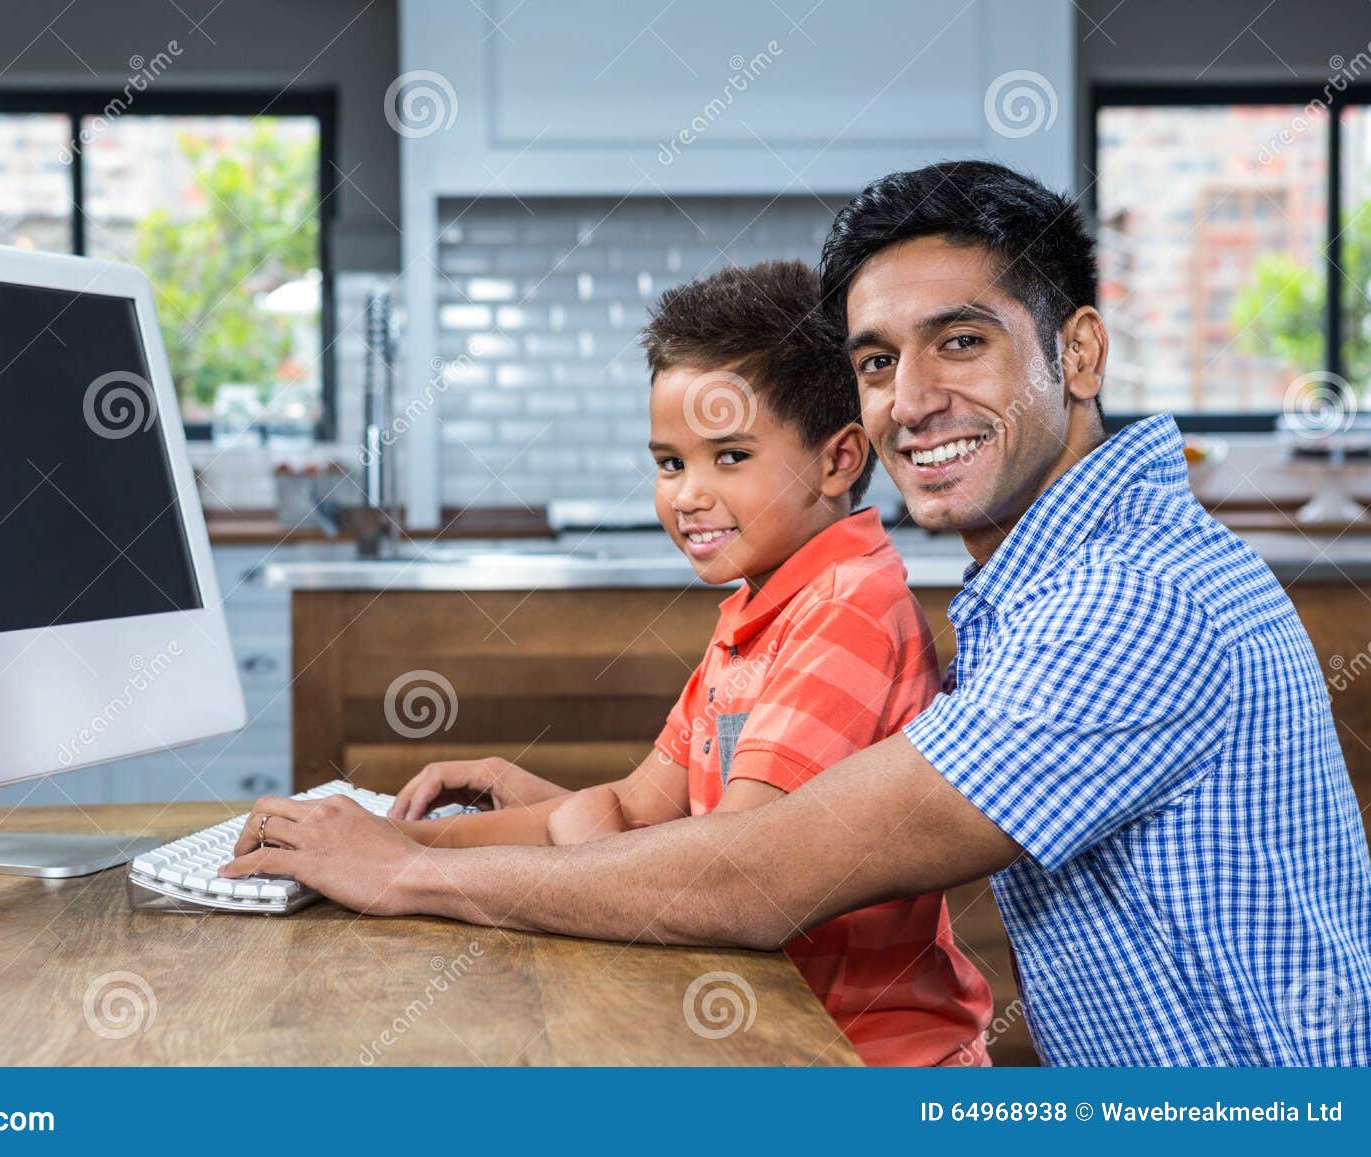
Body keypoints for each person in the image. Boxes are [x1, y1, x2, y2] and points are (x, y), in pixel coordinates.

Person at [223, 162, 1371, 1066]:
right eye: (877, 361)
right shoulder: (1063, 574)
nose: (910, 401)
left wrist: (404, 866)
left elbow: (755, 875)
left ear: (1076, 351)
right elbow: (689, 822)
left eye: (959, 340)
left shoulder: (1130, 602)